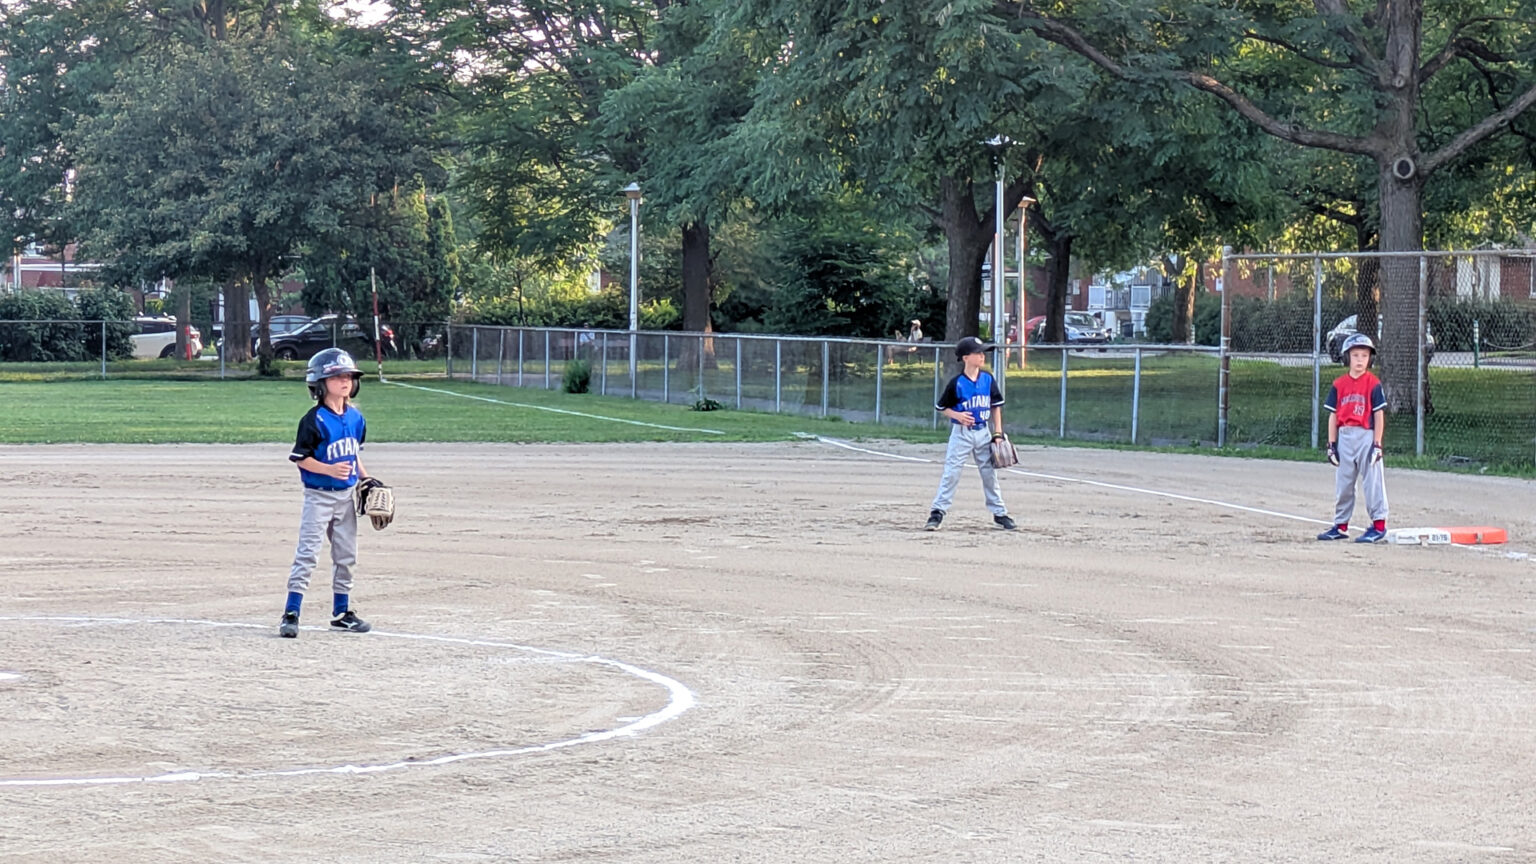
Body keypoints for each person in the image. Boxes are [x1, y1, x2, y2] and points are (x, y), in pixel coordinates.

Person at [278, 348, 374, 637]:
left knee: (346, 555)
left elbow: (354, 454)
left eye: (349, 376)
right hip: (318, 497)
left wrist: (366, 479)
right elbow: (300, 459)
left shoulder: (356, 418)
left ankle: (342, 613)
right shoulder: (314, 420)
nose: (345, 381)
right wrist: (329, 470)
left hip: (345, 499)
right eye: (337, 377)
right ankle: (291, 613)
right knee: (307, 554)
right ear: (320, 383)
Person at [926, 336, 1016, 531]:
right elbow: (942, 407)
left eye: (983, 353)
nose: (982, 356)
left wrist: (998, 433)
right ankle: (937, 512)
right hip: (961, 434)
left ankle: (1000, 513)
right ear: (965, 358)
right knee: (952, 473)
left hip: (983, 433)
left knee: (989, 474)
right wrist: (957, 415)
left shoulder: (987, 379)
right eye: (978, 353)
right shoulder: (957, 383)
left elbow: (995, 407)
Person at [1317, 333, 1388, 543]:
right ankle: (1341, 526)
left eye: (1364, 356)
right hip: (1345, 436)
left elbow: (1378, 415)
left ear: (1370, 359)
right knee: (1344, 483)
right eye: (1355, 355)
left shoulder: (1373, 383)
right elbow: (1333, 416)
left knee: (1373, 482)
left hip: (1366, 436)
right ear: (1347, 357)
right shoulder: (1339, 384)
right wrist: (1331, 444)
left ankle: (1379, 525)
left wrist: (1377, 444)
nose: (1359, 360)